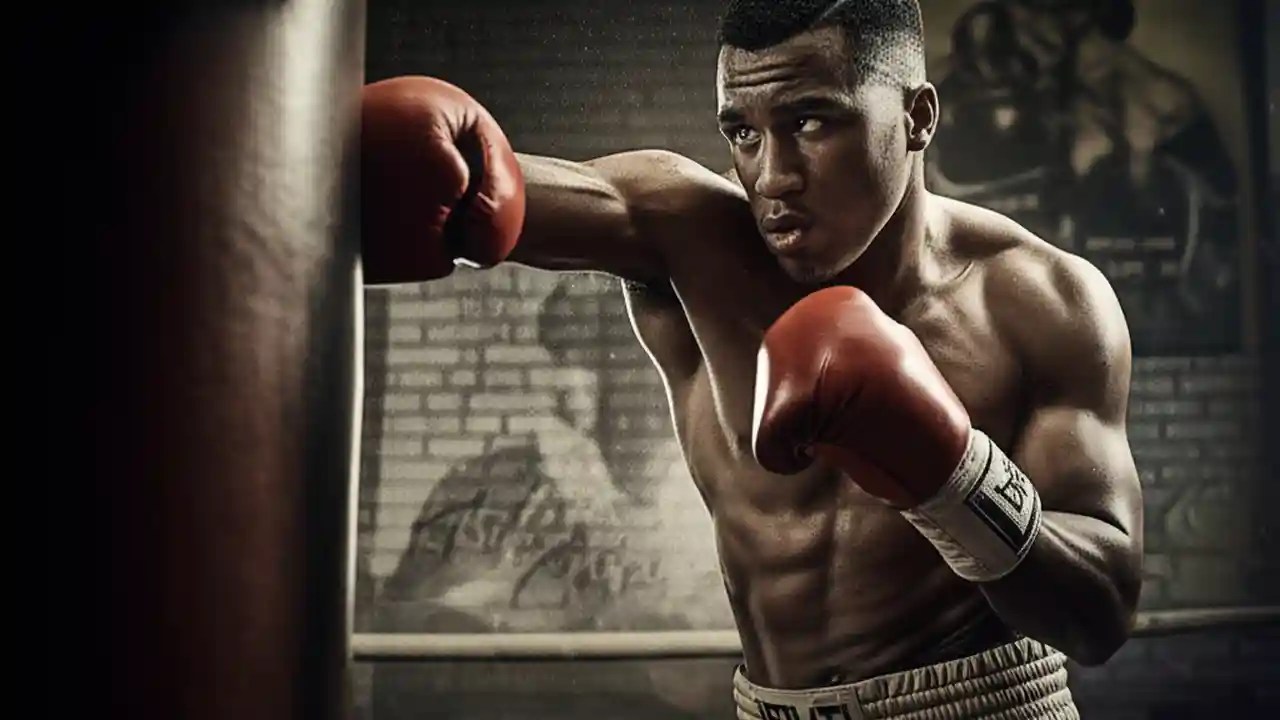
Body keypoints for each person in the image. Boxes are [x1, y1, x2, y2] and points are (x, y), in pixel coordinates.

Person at [361, 0, 1144, 717]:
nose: (773, 177)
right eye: (742, 131)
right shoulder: (682, 235)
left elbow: (1102, 611)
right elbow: (490, 185)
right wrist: (404, 172)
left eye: (811, 122)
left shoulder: (1038, 301)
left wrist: (951, 477)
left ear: (918, 117)